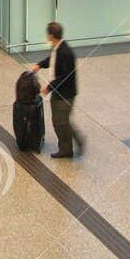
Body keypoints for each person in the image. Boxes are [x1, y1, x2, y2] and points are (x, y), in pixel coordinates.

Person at [30, 20, 82, 159]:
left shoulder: (65, 52)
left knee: (60, 121)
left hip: (65, 94)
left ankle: (67, 149)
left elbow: (64, 77)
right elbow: (52, 60)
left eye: (47, 34)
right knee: (60, 120)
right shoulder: (58, 47)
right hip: (59, 91)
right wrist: (40, 65)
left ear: (52, 35)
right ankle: (70, 145)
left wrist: (49, 87)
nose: (46, 36)